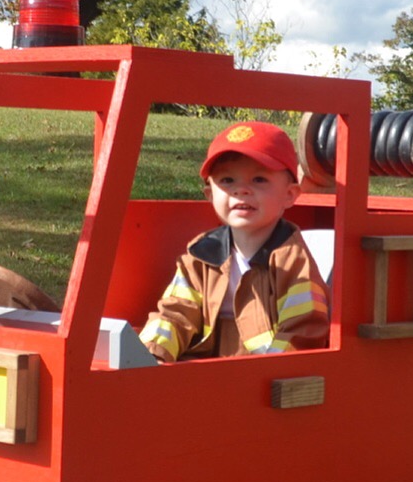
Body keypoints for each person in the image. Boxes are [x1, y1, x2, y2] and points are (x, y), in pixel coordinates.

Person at [139, 120, 329, 361]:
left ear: (289, 195)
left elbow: (303, 329)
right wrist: (151, 355)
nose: (241, 190)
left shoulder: (293, 260)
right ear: (210, 194)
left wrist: (269, 370)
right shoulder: (201, 256)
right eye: (227, 180)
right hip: (205, 371)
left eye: (259, 179)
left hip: (266, 373)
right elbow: (175, 314)